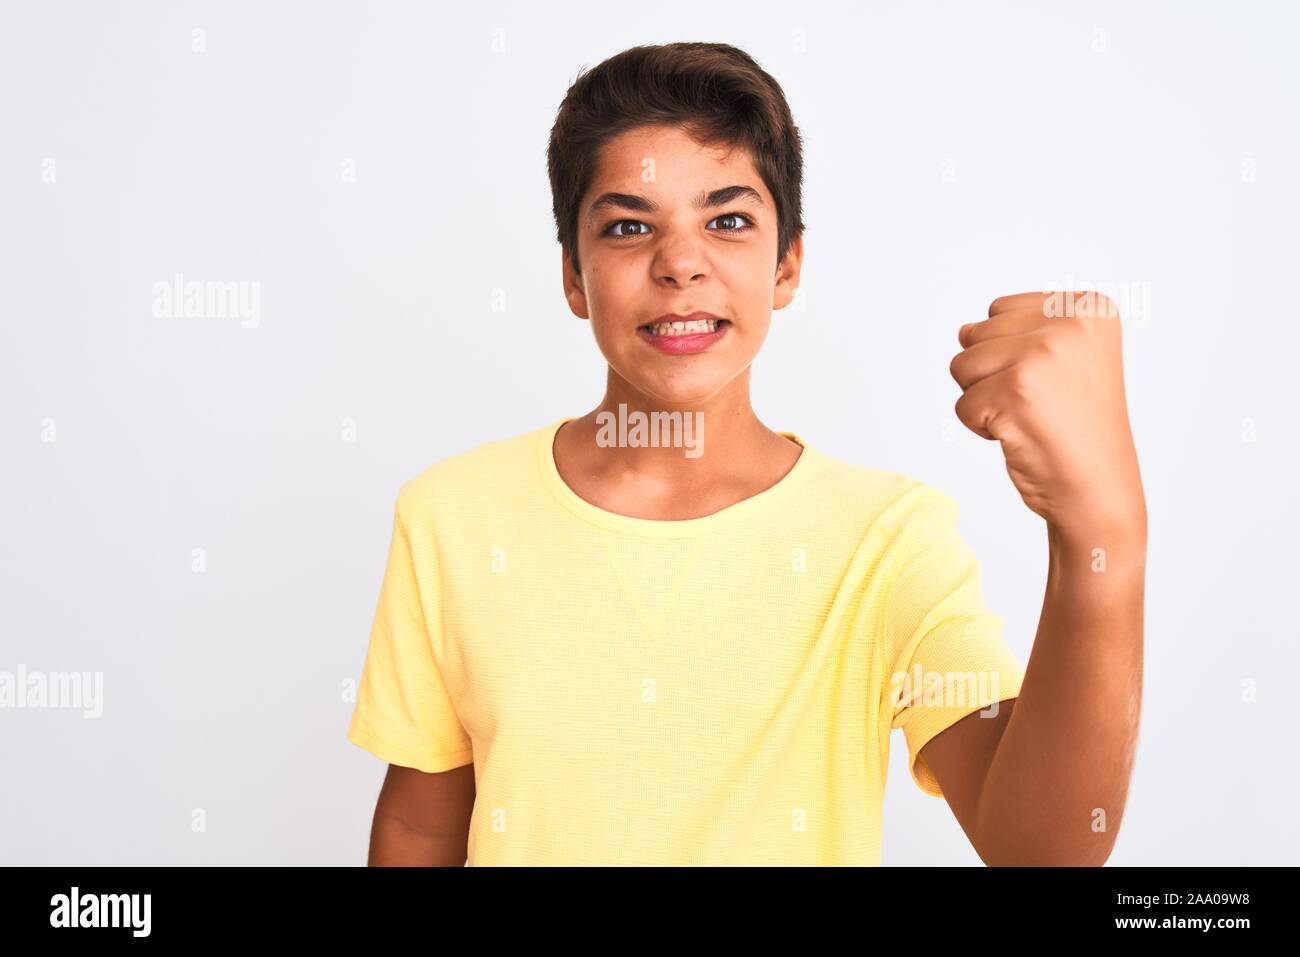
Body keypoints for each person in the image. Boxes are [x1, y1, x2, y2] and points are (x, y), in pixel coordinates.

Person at [347, 42, 1148, 866]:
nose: (681, 264)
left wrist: (1104, 536)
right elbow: (420, 825)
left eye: (727, 220)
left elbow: (1043, 848)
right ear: (574, 277)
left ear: (787, 263)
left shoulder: (888, 541)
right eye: (628, 226)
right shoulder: (452, 517)